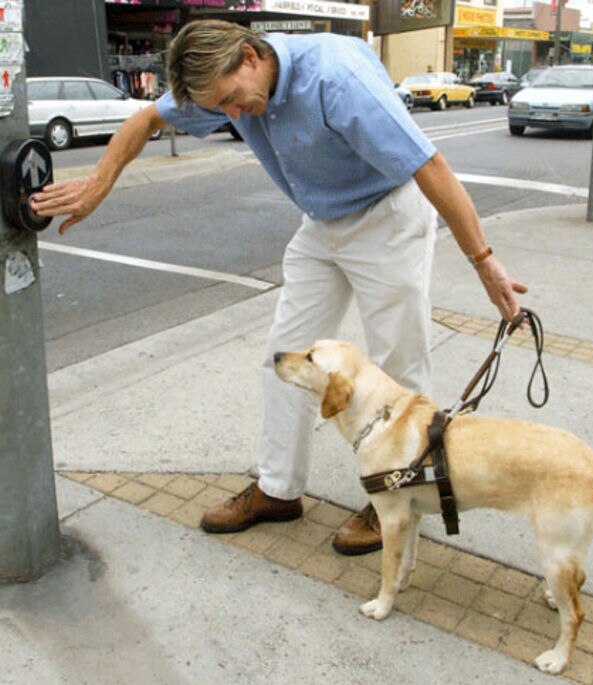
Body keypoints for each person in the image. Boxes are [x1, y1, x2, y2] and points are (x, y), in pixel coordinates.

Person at [31, 20, 526, 555]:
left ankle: (399, 499)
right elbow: (148, 117)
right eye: (219, 109)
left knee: (398, 364)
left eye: (231, 100)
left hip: (388, 215)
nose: (233, 116)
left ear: (249, 56)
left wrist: (484, 262)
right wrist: (96, 187)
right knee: (284, 358)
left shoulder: (336, 80)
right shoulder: (223, 84)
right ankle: (278, 490)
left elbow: (431, 165)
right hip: (322, 221)